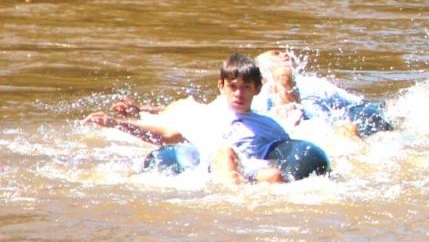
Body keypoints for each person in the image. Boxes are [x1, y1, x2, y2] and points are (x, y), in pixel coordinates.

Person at [84, 54, 329, 183]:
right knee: (226, 154)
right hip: (215, 169)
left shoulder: (269, 125)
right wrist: (117, 124)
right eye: (233, 87)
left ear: (257, 89)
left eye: (246, 87)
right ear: (221, 86)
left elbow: (287, 152)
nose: (239, 93)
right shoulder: (207, 116)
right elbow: (165, 135)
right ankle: (232, 205)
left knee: (274, 176)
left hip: (252, 171)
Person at [254, 49, 390, 136]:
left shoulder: (314, 83)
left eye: (284, 52)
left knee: (350, 127)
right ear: (261, 69)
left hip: (325, 130)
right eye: (275, 53)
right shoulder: (258, 93)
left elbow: (357, 105)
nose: (286, 54)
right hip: (307, 131)